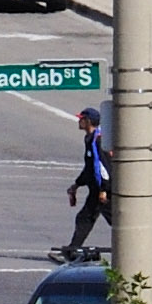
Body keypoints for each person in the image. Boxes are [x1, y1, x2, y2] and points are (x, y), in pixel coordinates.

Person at [56, 99, 112, 259]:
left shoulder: (98, 140)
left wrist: (104, 190)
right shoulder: (90, 138)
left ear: (88, 121)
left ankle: (73, 250)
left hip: (104, 188)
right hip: (98, 188)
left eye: (81, 118)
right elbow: (89, 168)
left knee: (111, 220)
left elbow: (104, 168)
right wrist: (77, 184)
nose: (79, 121)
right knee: (86, 218)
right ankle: (73, 249)